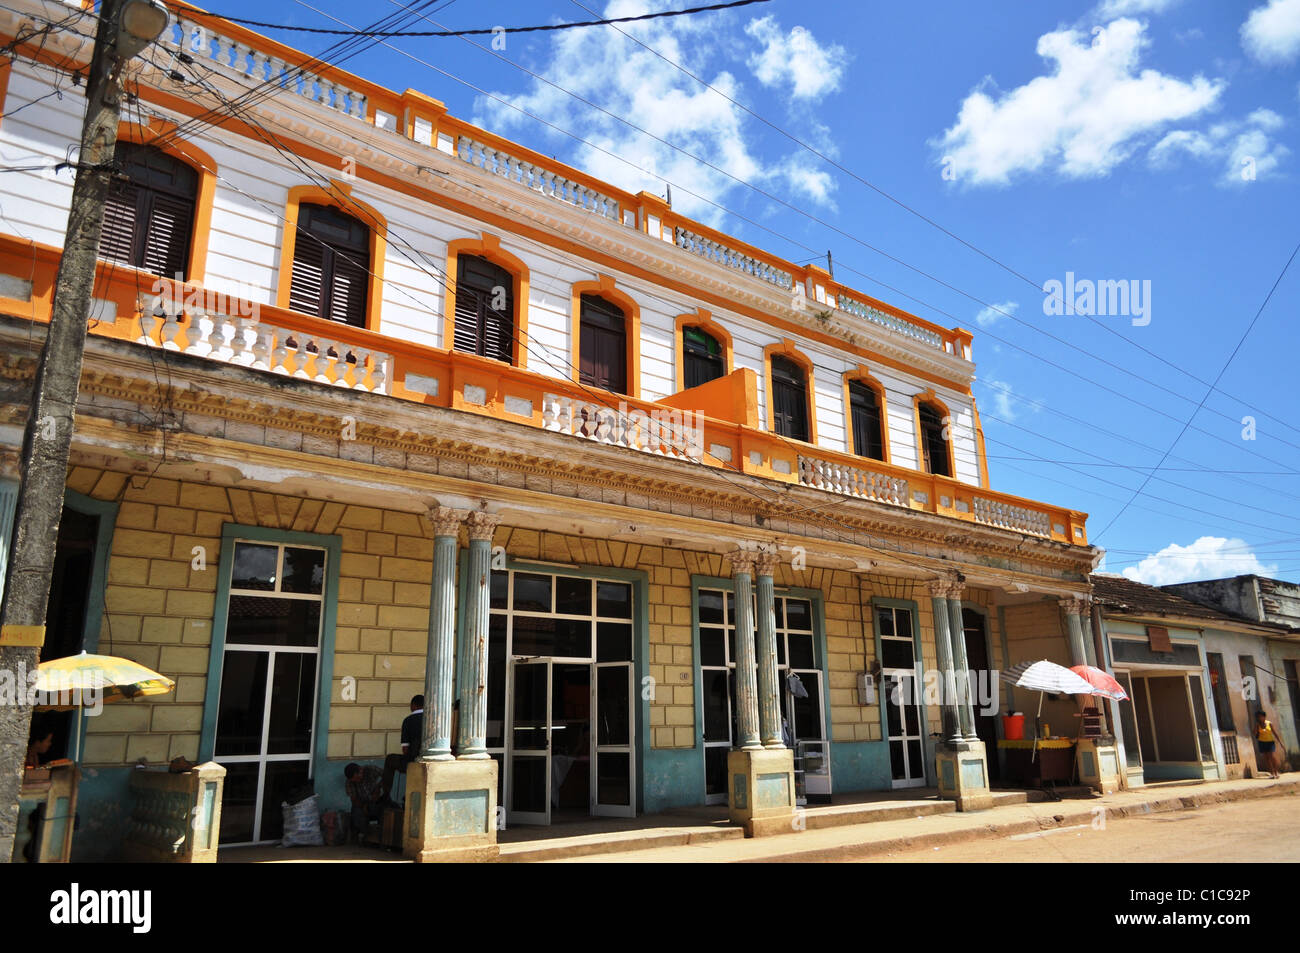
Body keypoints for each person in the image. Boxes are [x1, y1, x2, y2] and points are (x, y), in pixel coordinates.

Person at [381, 695, 424, 801]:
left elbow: (405, 749)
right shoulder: (433, 719)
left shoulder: (408, 720)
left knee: (390, 759)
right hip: (430, 760)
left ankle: (386, 794)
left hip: (413, 761)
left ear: (413, 705)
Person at [343, 762, 384, 843]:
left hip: (377, 801)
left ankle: (382, 838)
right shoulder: (349, 782)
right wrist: (363, 806)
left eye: (358, 778)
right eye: (354, 780)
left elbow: (386, 775)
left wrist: (378, 787)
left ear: (360, 771)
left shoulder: (370, 769)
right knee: (356, 814)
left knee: (385, 812)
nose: (357, 781)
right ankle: (366, 837)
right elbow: (354, 800)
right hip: (362, 803)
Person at [1254, 709, 1283, 779]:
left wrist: (1280, 741)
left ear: (1264, 716)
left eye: (1261, 716)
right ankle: (1272, 773)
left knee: (1272, 757)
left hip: (1270, 742)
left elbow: (1274, 733)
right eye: (1258, 717)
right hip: (1262, 742)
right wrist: (1256, 728)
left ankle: (1276, 772)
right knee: (1267, 758)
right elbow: (1255, 734)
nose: (1260, 718)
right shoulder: (1257, 725)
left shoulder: (1269, 723)